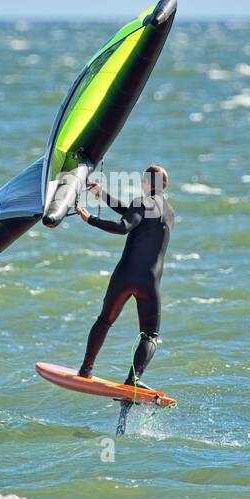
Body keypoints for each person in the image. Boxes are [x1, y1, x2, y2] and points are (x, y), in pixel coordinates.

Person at [75, 164, 173, 387]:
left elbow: (124, 225)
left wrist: (91, 219)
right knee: (150, 335)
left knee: (105, 320)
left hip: (126, 276)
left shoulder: (142, 203)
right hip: (150, 282)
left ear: (147, 183)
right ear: (165, 186)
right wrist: (100, 194)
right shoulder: (168, 212)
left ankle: (86, 368)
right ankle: (134, 379)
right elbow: (132, 213)